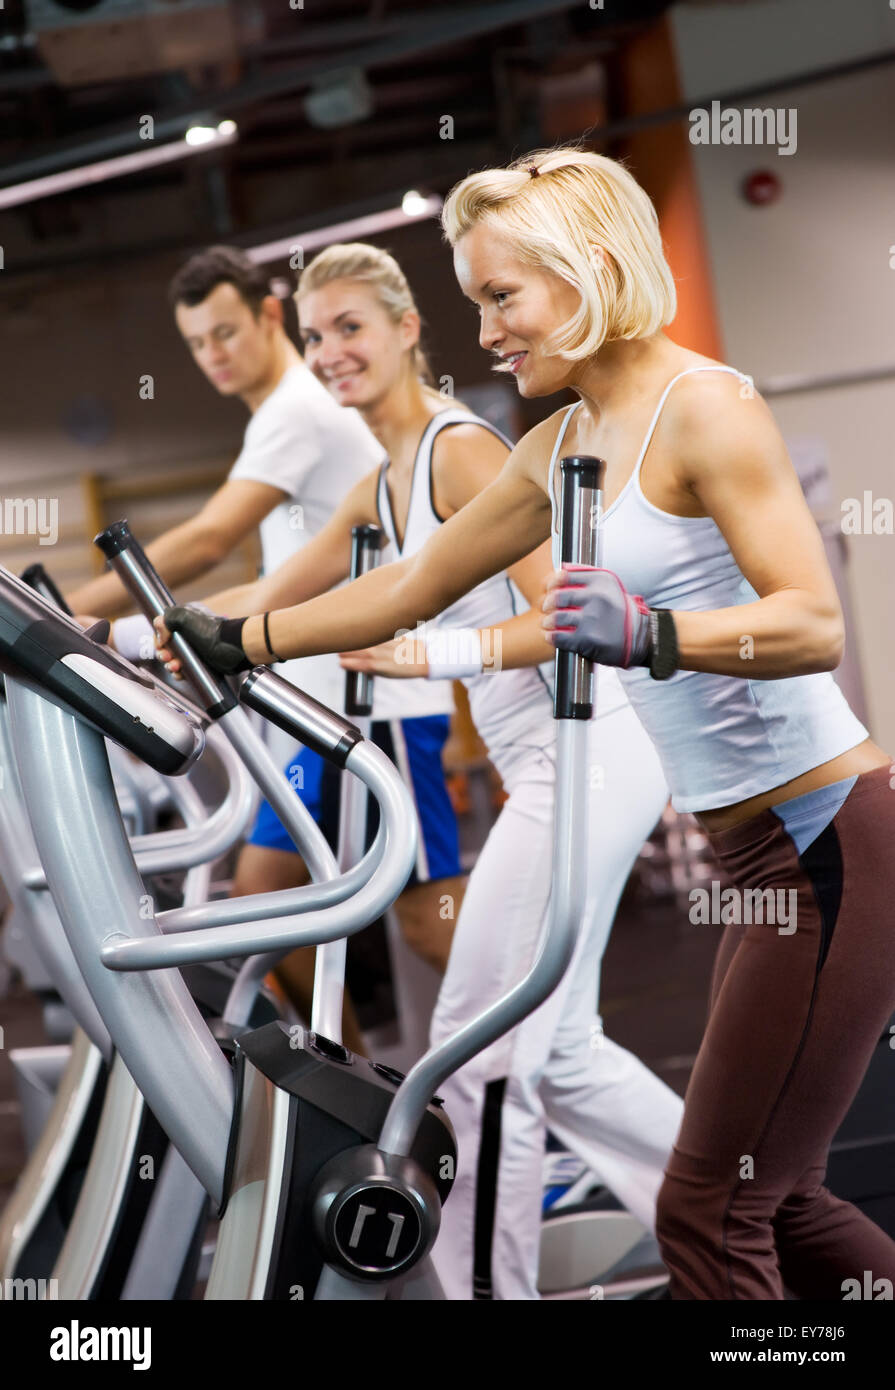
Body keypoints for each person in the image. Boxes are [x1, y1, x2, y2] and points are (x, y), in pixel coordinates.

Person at [157, 145, 895, 1301]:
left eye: (503, 296)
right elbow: (404, 586)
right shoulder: (556, 449)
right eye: (476, 303)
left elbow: (807, 625)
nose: (489, 332)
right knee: (777, 1197)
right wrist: (238, 639)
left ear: (589, 268)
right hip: (756, 854)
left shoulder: (708, 407)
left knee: (709, 1210)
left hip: (830, 842)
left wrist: (650, 634)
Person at [158, 238, 683, 1300]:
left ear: (407, 330)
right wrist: (119, 632)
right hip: (551, 756)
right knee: (555, 1051)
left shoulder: (458, 451)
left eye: (351, 326)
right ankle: (728, 1207)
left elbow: (567, 618)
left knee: (475, 1049)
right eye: (315, 335)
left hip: (585, 746)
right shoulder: (384, 477)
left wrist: (435, 652)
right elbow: (265, 607)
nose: (331, 350)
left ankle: (483, 1288)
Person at [71, 244, 461, 1045]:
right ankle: (351, 1087)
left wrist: (69, 608)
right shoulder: (310, 426)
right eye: (196, 344)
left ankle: (534, 1059)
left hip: (372, 697)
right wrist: (129, 633)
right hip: (311, 696)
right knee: (262, 905)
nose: (213, 356)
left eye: (225, 333)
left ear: (267, 315)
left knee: (422, 921)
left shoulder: (301, 412)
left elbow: (212, 538)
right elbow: (270, 587)